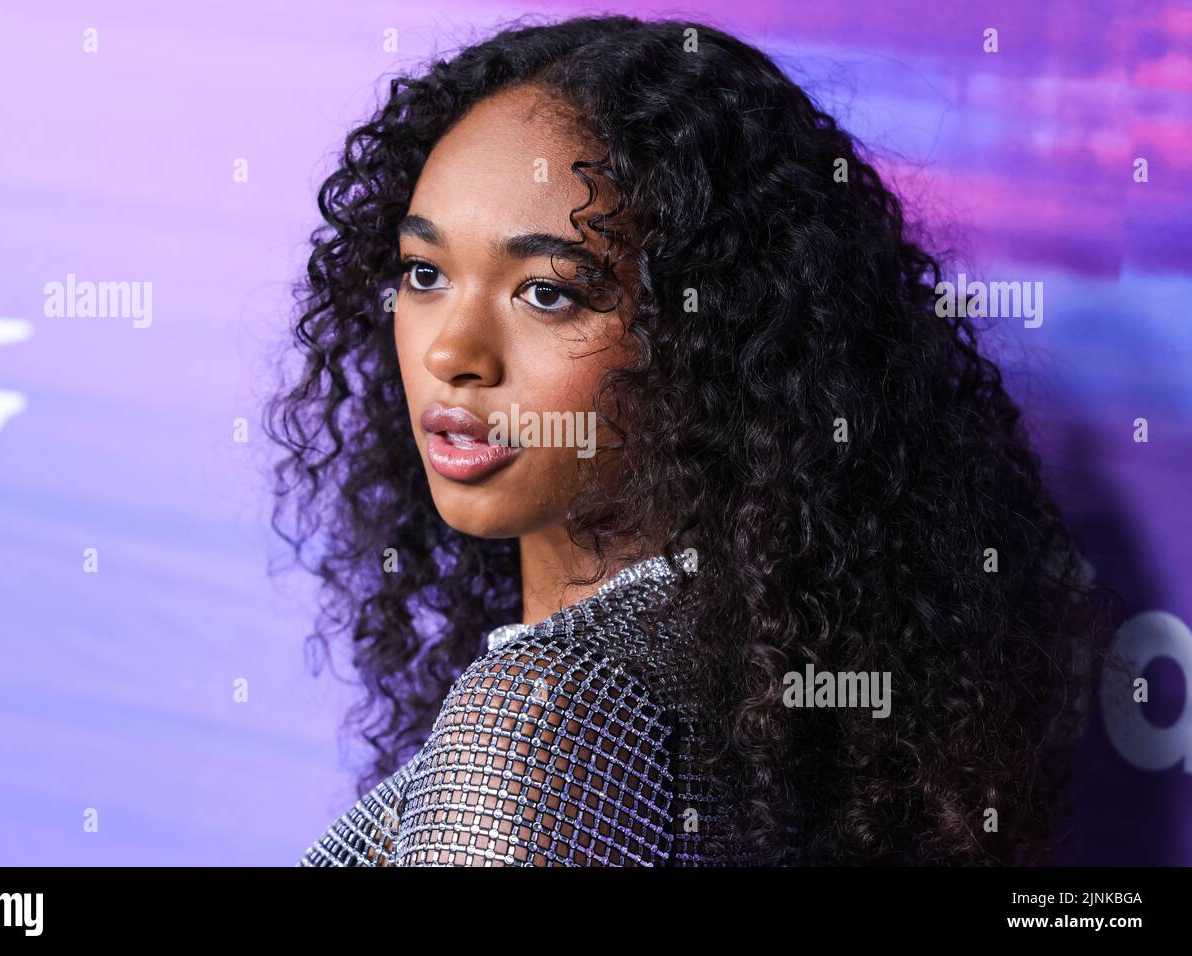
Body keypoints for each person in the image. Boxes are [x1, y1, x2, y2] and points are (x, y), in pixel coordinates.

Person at [268, 15, 1113, 866]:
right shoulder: (758, 684)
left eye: (549, 293)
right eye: (425, 274)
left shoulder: (549, 713)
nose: (452, 352)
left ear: (711, 337)